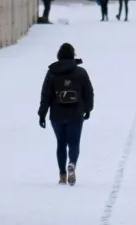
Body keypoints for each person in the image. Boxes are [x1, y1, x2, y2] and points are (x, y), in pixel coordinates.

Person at [37, 42, 93, 185]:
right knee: (74, 143)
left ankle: (62, 174)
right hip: (76, 113)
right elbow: (88, 92)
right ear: (73, 55)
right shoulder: (81, 72)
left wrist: (42, 114)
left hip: (57, 114)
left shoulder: (52, 72)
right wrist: (88, 109)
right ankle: (72, 163)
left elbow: (46, 95)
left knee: (61, 143)